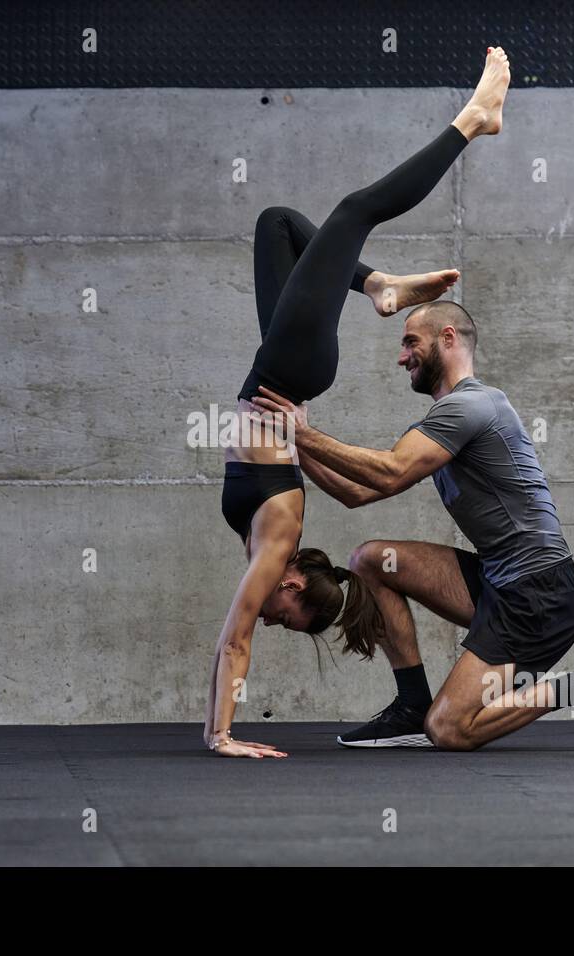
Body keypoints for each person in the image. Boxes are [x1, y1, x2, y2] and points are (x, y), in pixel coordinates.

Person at [206, 48, 514, 758]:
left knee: (276, 223)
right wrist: (220, 733)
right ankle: (474, 120)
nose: (272, 614)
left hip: (275, 373)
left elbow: (243, 628)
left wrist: (301, 441)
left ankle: (379, 286)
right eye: (289, 612)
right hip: (291, 370)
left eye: (278, 617)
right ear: (293, 583)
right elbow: (236, 637)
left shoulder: (260, 537)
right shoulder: (276, 540)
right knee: (353, 210)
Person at [252, 300, 574, 751]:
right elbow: (355, 492)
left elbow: (390, 471)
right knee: (370, 561)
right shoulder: (446, 419)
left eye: (410, 342)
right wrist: (292, 442)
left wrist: (302, 433)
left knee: (450, 729)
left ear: (449, 338)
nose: (402, 357)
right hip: (499, 581)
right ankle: (412, 706)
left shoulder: (474, 406)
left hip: (541, 594)